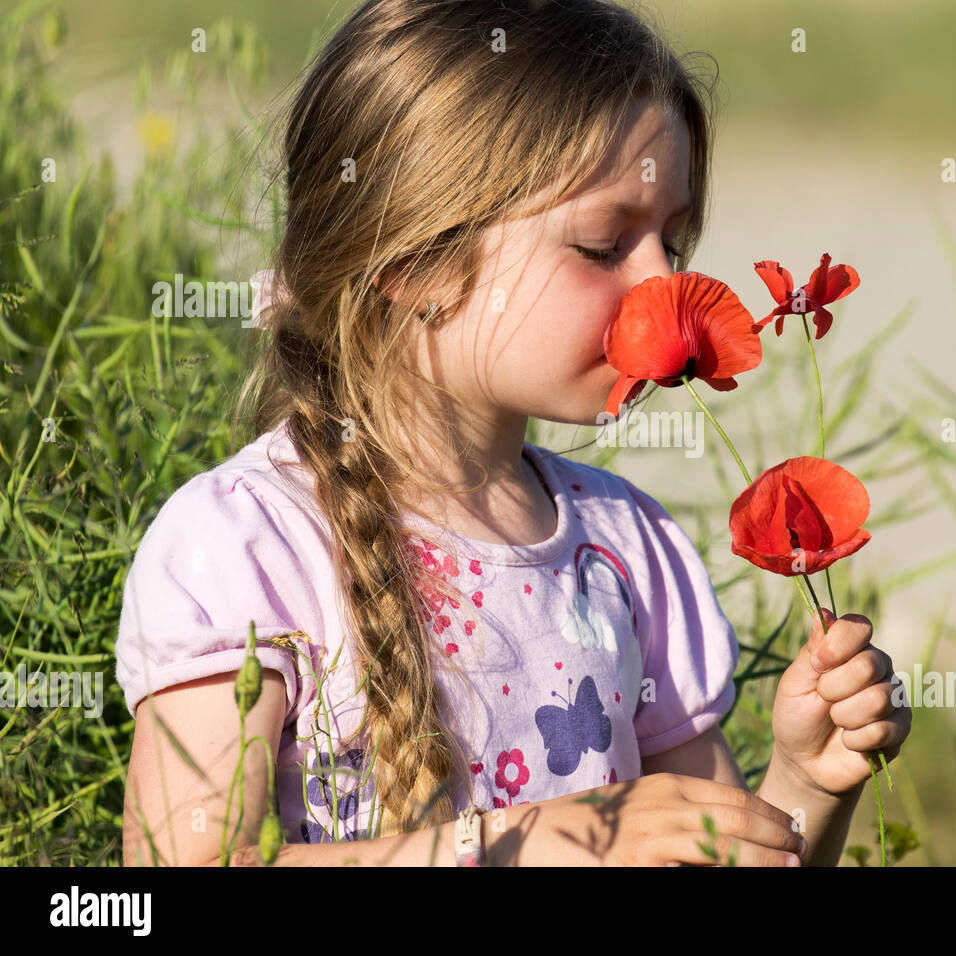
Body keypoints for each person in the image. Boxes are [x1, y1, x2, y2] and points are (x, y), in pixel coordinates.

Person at [117, 0, 910, 867]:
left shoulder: (628, 551)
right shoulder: (245, 547)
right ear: (413, 262)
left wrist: (804, 785)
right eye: (606, 245)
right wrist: (526, 845)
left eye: (672, 246)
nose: (659, 289)